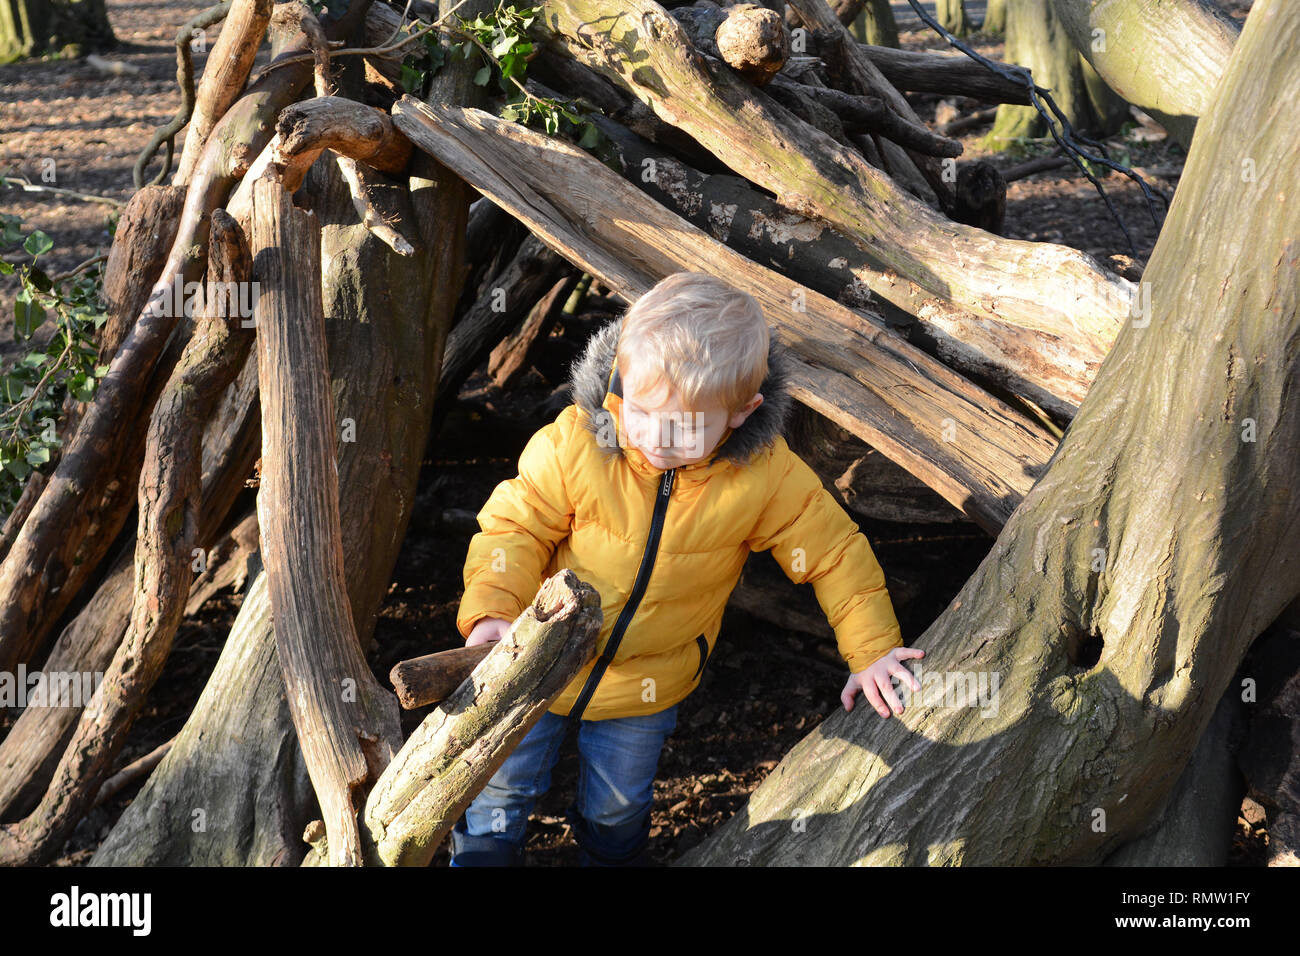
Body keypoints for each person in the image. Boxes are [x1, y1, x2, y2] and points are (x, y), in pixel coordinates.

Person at [449, 271, 924, 866]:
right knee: (499, 790)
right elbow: (514, 526)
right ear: (622, 375)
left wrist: (873, 648)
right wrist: (494, 610)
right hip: (534, 661)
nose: (656, 437)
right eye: (643, 411)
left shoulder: (762, 475)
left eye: (685, 426)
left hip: (649, 682)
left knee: (617, 808)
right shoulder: (578, 442)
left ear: (740, 413)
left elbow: (832, 553)